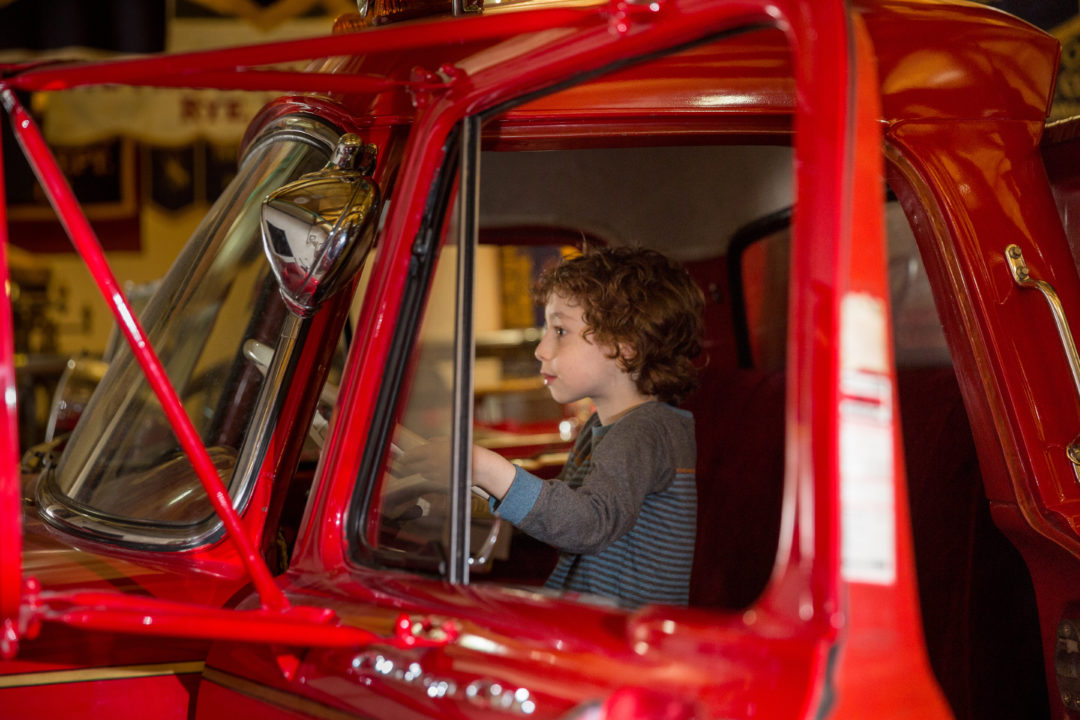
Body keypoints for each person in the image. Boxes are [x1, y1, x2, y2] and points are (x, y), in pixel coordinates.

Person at [471, 246, 705, 607]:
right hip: (592, 617)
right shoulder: (606, 424)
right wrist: (479, 484)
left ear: (625, 347)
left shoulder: (644, 431)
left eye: (560, 330)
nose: (541, 350)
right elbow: (559, 510)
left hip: (620, 632)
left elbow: (588, 524)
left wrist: (485, 468)